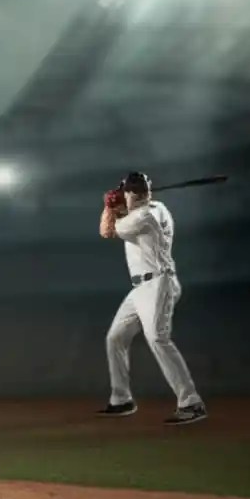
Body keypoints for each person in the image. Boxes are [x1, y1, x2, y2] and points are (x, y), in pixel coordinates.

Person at [98, 172, 207, 426]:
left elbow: (106, 231)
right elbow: (129, 212)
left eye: (127, 191)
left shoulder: (142, 217)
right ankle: (121, 399)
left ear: (133, 194)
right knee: (116, 338)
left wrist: (109, 206)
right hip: (141, 288)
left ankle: (191, 402)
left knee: (158, 338)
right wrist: (121, 202)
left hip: (158, 284)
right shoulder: (157, 207)